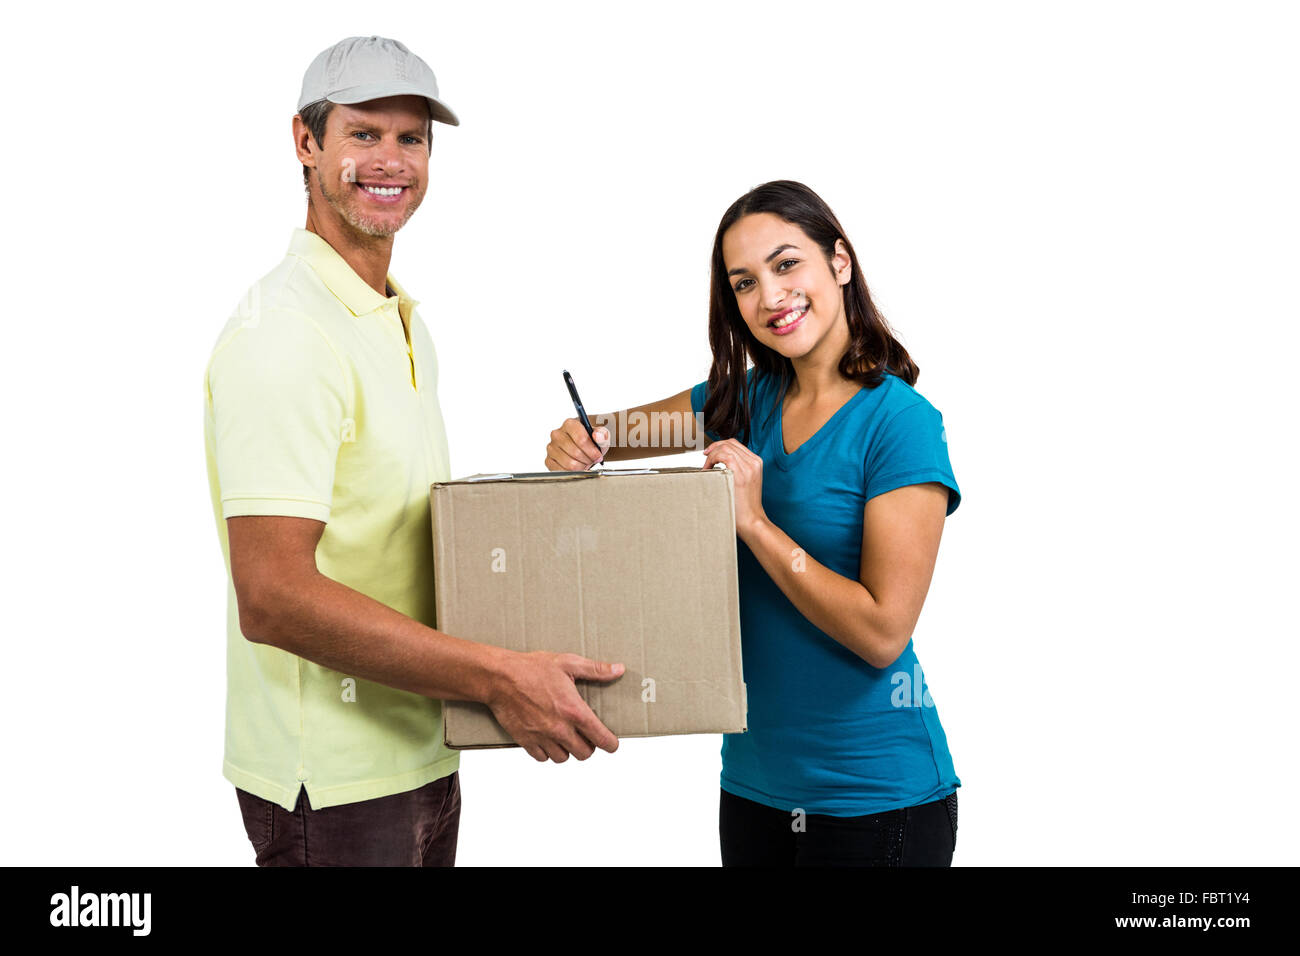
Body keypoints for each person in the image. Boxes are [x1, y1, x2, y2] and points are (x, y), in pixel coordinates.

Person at [203, 35, 625, 868]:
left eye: (412, 139)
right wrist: (496, 675)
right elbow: (274, 595)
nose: (391, 161)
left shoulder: (398, 317)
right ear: (305, 142)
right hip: (330, 784)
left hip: (422, 750)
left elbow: (394, 532)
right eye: (364, 134)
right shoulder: (283, 336)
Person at [544, 180, 962, 866]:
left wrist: (755, 523)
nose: (769, 297)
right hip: (754, 790)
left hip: (877, 804)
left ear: (841, 261)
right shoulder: (739, 400)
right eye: (743, 282)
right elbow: (613, 434)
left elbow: (883, 632)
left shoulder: (901, 425)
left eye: (786, 263)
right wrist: (580, 439)